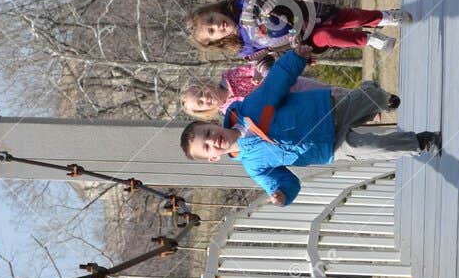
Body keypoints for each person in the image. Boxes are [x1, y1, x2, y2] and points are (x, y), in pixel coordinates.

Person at [178, 44, 440, 206]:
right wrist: (282, 196)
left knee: (368, 100)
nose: (212, 140)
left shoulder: (248, 110)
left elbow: (275, 84)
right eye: (207, 146)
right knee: (375, 148)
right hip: (328, 148)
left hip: (326, 108)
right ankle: (421, 142)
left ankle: (375, 95)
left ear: (213, 124)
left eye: (208, 133)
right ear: (213, 158)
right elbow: (285, 182)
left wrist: (295, 58)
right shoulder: (254, 166)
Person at [183, 0, 412, 57]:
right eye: (212, 31)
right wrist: (265, 72)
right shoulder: (243, 47)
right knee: (328, 36)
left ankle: (385, 17)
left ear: (214, 10)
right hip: (302, 38)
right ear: (216, 41)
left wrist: (268, 2)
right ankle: (369, 39)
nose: (217, 25)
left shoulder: (244, 3)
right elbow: (263, 59)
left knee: (349, 18)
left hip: (305, 13)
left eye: (211, 19)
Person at [180, 56, 329, 119]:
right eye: (200, 103)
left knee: (328, 93)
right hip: (286, 106)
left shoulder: (230, 77)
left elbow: (255, 66)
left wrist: (259, 74)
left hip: (290, 85)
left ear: (205, 84)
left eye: (201, 93)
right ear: (204, 112)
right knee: (322, 109)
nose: (205, 98)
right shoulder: (231, 114)